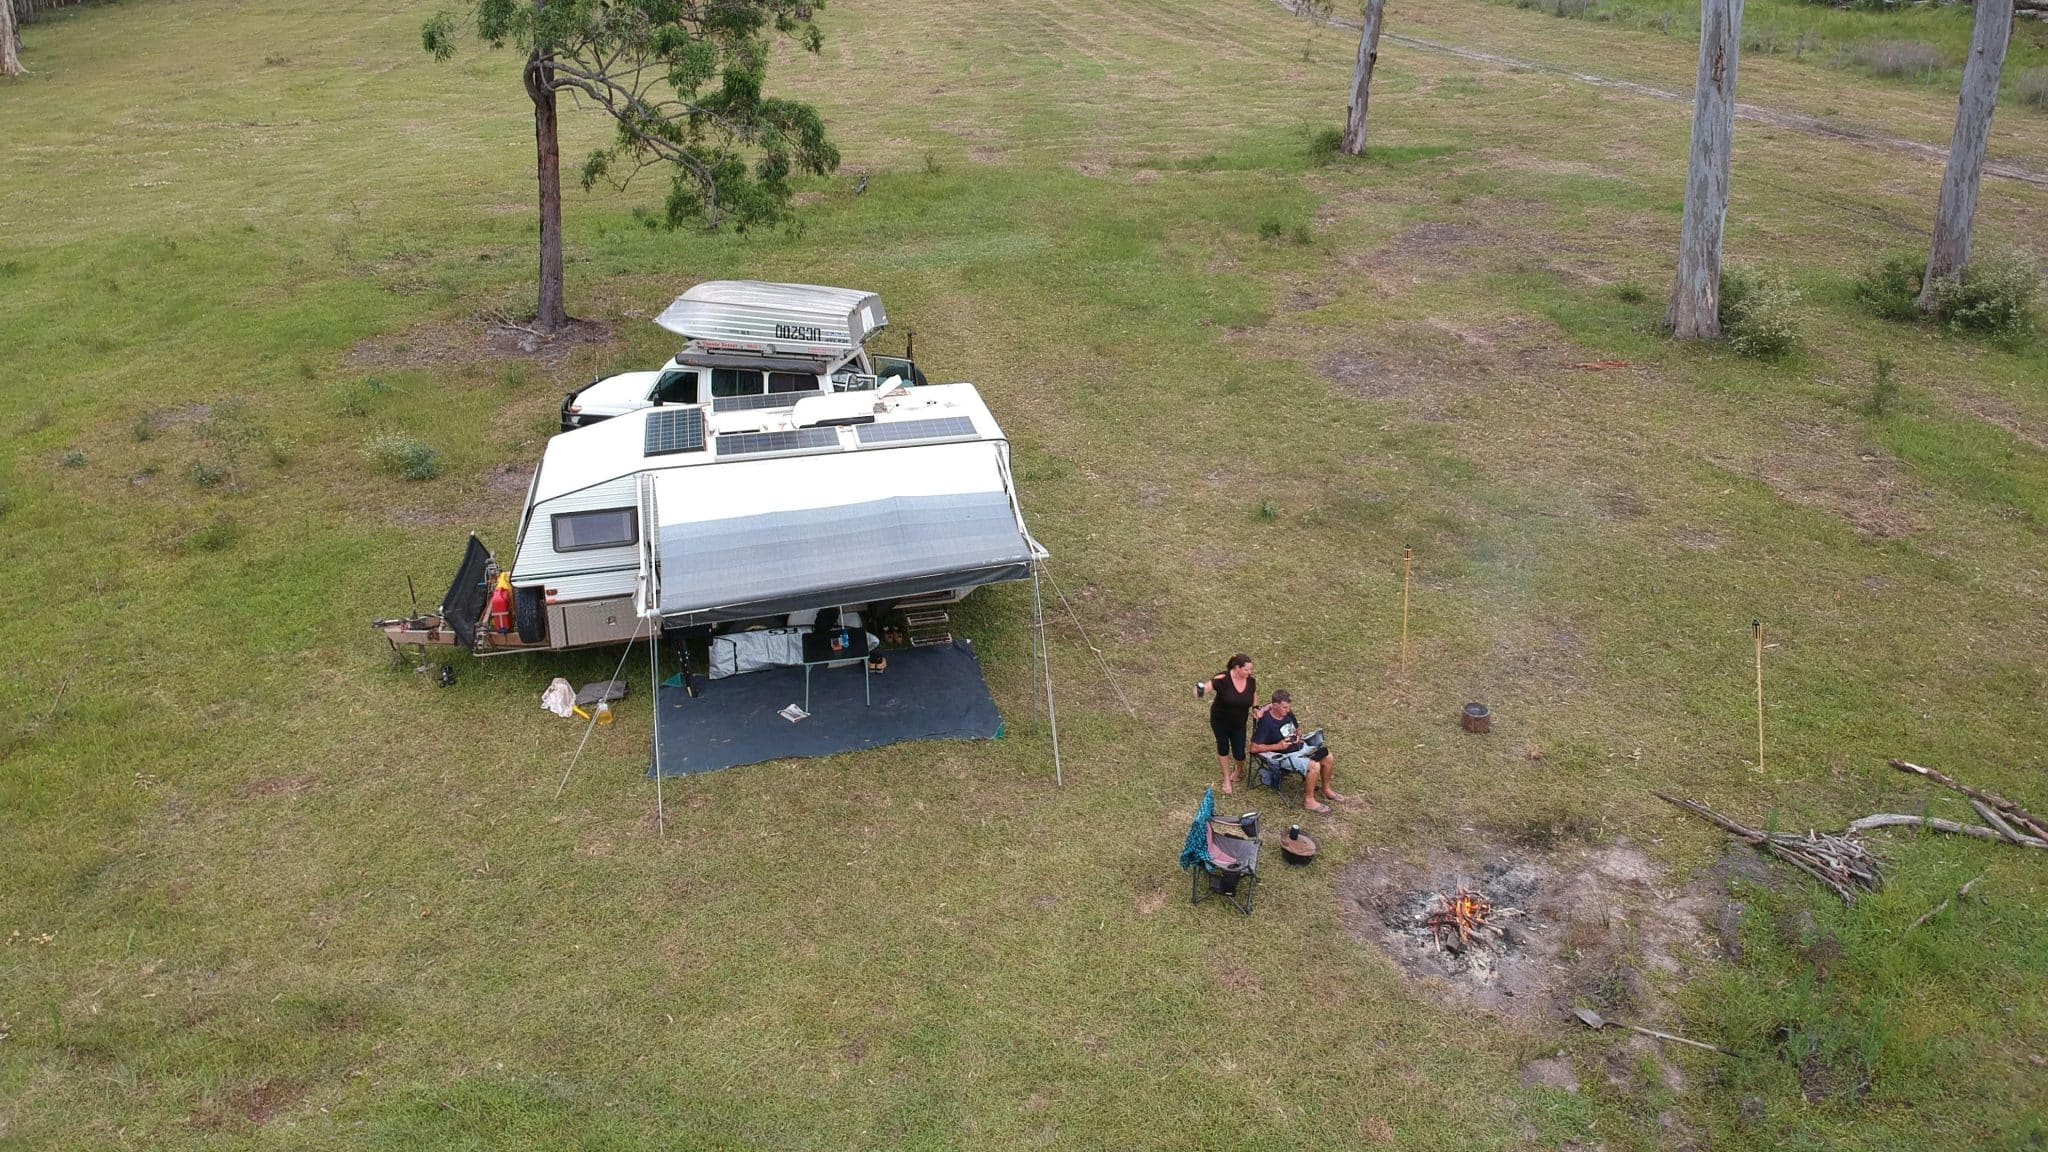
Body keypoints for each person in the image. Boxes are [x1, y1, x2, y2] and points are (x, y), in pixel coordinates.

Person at [1250, 689, 1348, 814]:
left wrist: (1298, 734)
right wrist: (1278, 746)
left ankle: (1326, 789)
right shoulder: (1266, 722)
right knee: (1314, 766)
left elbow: (1297, 728)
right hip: (1284, 756)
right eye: (1284, 707)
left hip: (1300, 746)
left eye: (1288, 707)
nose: (1287, 710)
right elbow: (1253, 748)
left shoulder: (1288, 713)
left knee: (1328, 757)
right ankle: (1309, 801)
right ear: (1274, 706)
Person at [1195, 654, 1256, 795]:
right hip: (1220, 721)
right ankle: (1227, 779)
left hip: (1239, 723)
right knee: (1223, 747)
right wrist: (1199, 689)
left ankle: (1239, 769)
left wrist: (1256, 707)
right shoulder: (1223, 679)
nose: (1250, 672)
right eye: (1247, 669)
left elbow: (1253, 693)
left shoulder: (1251, 681)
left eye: (1250, 669)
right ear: (1237, 668)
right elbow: (1203, 689)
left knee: (1239, 753)